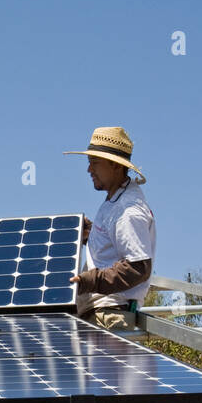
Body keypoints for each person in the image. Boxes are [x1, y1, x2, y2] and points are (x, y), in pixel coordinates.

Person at [65, 127, 156, 330]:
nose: (89, 170)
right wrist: (91, 235)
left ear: (115, 165)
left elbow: (137, 267)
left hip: (110, 315)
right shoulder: (115, 203)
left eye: (95, 163)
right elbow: (112, 250)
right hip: (102, 313)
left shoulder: (127, 210)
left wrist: (91, 281)